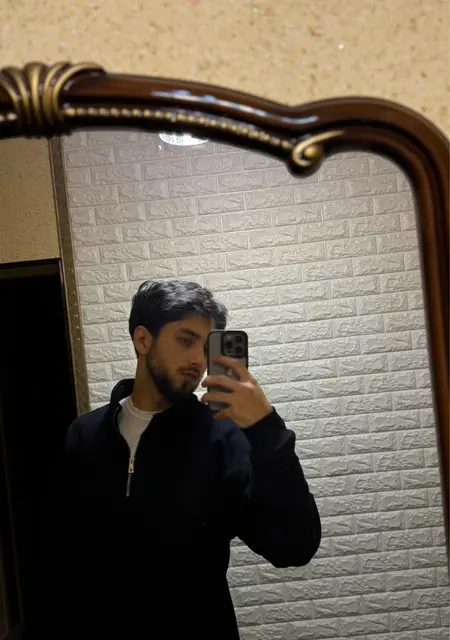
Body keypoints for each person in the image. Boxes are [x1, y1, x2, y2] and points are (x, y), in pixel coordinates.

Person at [61, 280, 321, 639]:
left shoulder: (222, 437)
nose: (199, 360)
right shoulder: (85, 435)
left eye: (206, 346)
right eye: (186, 340)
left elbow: (294, 545)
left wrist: (266, 429)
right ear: (143, 340)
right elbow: (66, 556)